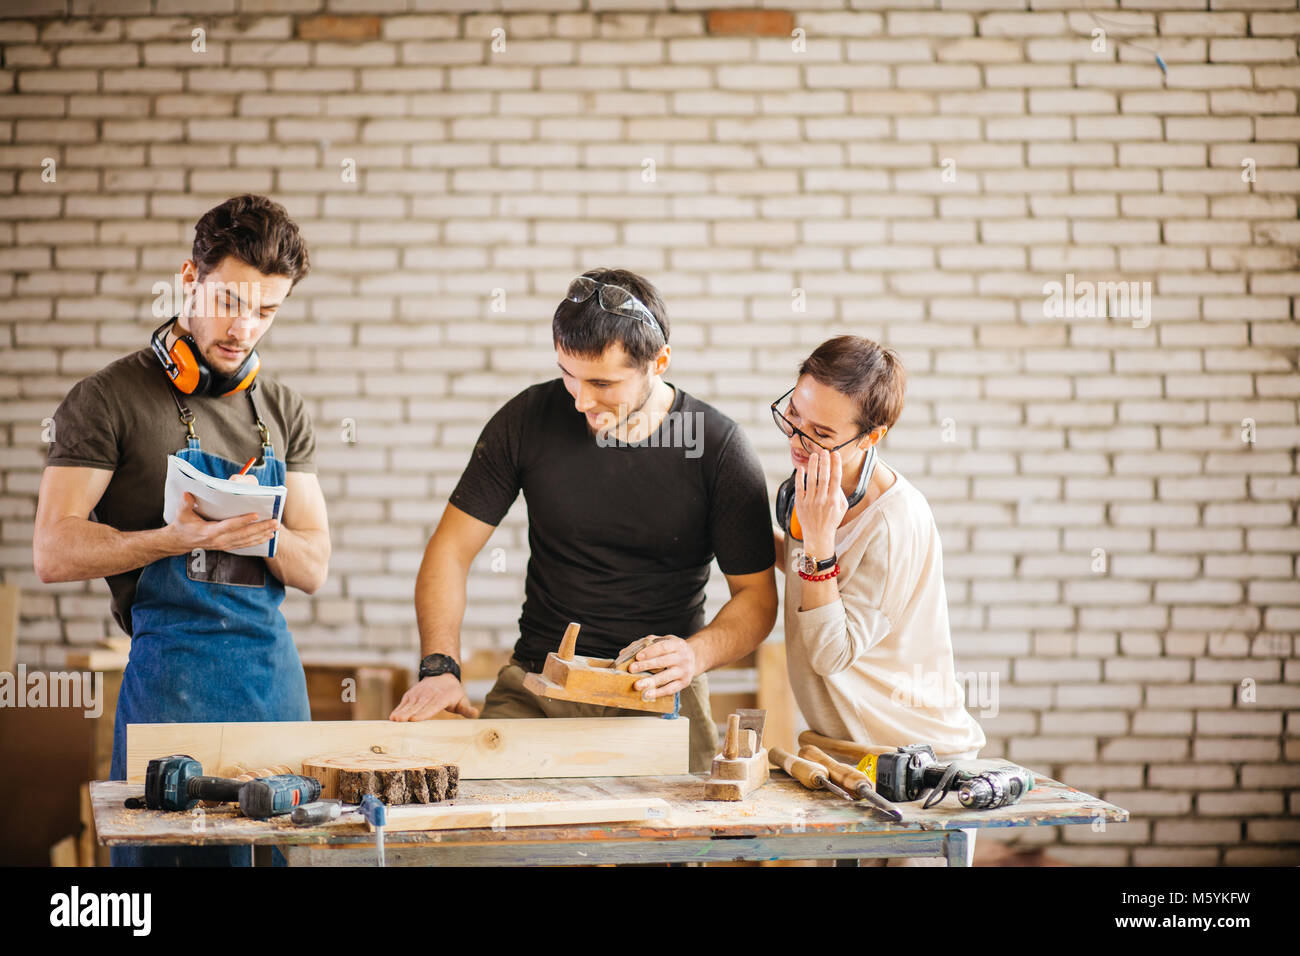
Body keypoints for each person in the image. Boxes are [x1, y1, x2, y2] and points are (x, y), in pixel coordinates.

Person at [33, 194, 330, 866]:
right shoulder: (107, 399)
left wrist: (258, 530)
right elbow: (52, 551)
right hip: (171, 687)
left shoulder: (282, 410)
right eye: (229, 301)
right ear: (189, 278)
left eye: (267, 311)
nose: (245, 327)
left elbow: (313, 568)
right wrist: (175, 539)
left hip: (271, 686)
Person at [390, 268, 778, 773]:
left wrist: (693, 656)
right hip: (539, 687)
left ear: (658, 362)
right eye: (567, 374)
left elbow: (757, 598)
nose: (580, 400)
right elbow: (450, 550)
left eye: (602, 382)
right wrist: (440, 667)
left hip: (659, 697)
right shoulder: (527, 418)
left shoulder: (717, 447)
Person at [771, 335, 985, 865]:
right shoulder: (815, 484)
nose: (798, 439)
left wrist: (819, 545)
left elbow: (831, 652)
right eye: (793, 415)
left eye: (821, 433)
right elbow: (815, 584)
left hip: (919, 769)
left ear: (873, 436)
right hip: (845, 756)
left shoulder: (894, 523)